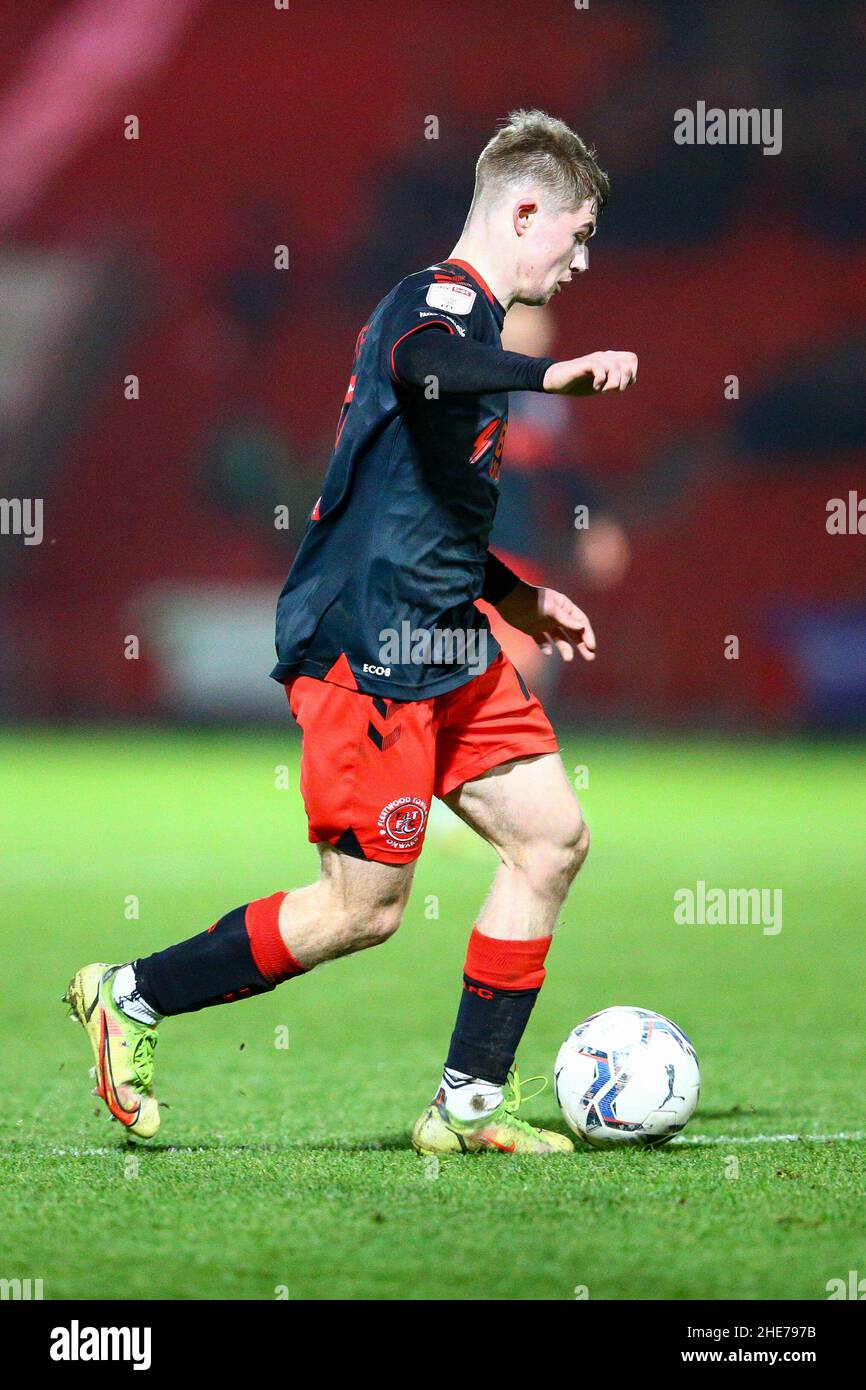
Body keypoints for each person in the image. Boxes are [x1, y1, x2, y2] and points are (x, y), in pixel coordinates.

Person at [65, 109, 637, 1156]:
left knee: (550, 839)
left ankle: (468, 1107)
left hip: (447, 639)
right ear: (524, 212)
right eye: (579, 233)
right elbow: (424, 367)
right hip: (367, 648)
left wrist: (515, 597)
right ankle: (130, 994)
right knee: (363, 910)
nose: (582, 260)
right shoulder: (435, 305)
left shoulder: (475, 333)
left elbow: (415, 512)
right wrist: (546, 375)